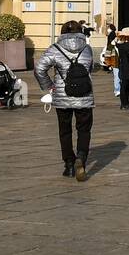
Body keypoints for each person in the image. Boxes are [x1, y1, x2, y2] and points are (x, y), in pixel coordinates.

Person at [34, 20, 95, 180]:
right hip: (84, 96)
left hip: (63, 97)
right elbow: (90, 69)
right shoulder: (87, 49)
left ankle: (69, 164)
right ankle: (81, 157)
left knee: (65, 130)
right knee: (84, 129)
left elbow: (39, 69)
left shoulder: (55, 49)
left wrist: (50, 86)